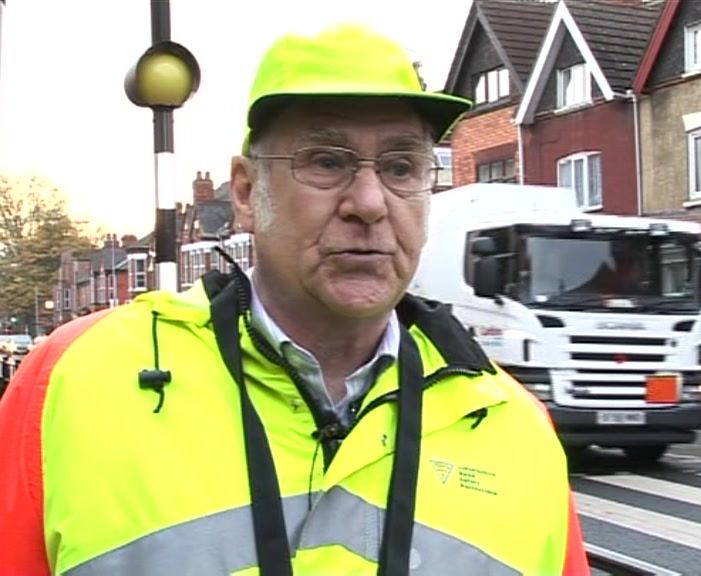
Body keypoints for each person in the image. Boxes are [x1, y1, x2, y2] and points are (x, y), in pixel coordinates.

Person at [0, 24, 589, 576]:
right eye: (326, 162)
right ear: (246, 193)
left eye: (402, 167)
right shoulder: (72, 381)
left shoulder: (517, 428)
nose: (370, 202)